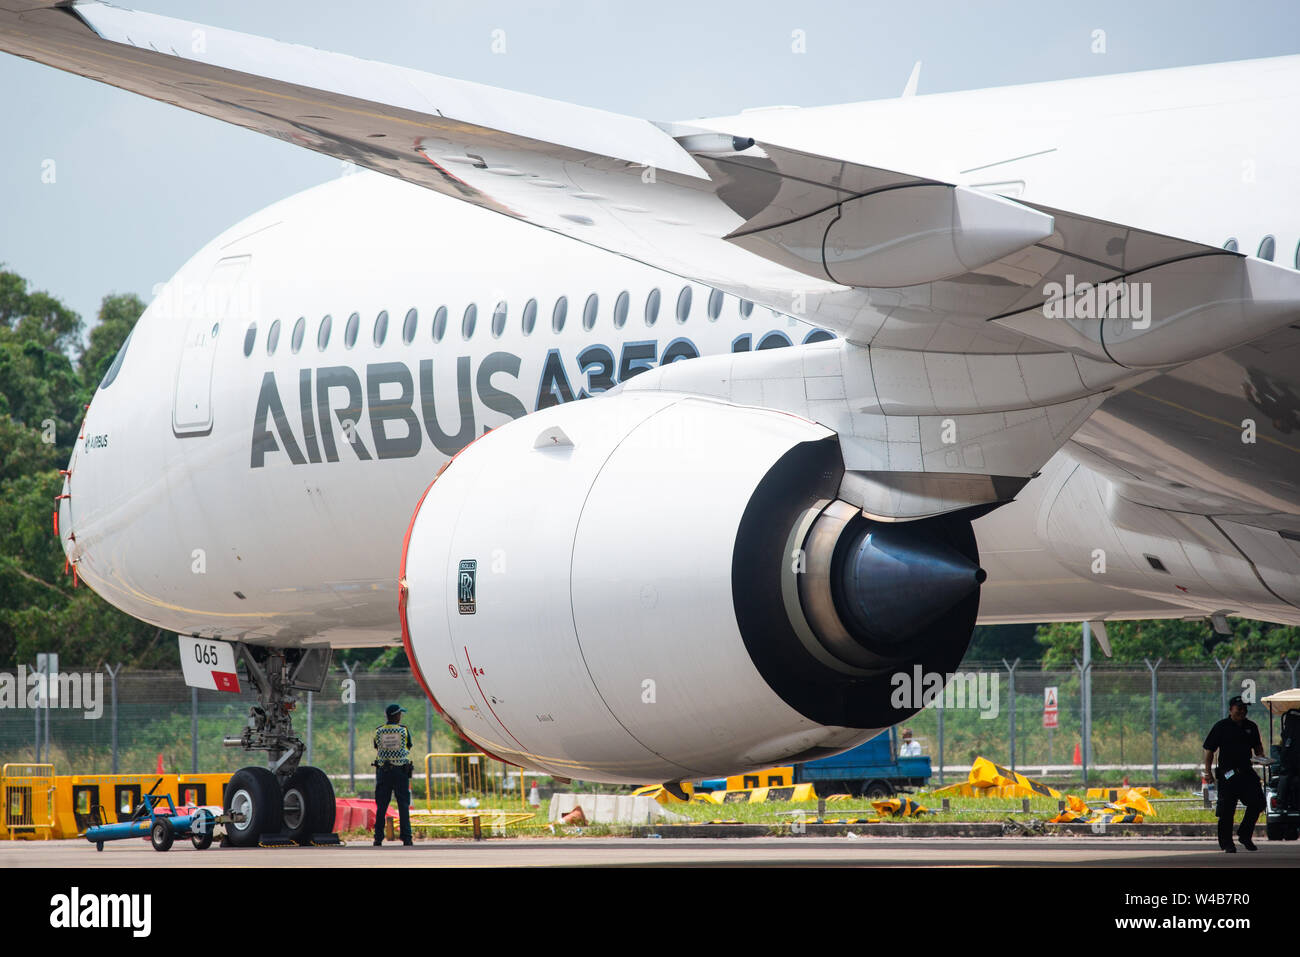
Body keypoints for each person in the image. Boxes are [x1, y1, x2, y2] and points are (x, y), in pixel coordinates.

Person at [1202, 695, 1265, 852]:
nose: (1242, 712)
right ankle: (1227, 843)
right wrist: (1207, 772)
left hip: (1246, 772)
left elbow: (1258, 748)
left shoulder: (1251, 726)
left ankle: (1244, 834)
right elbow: (1210, 750)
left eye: (1244, 709)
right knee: (1227, 810)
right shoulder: (1221, 727)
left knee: (1258, 802)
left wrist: (1263, 759)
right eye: (1239, 709)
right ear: (1231, 710)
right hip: (1228, 774)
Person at [373, 702, 414, 846]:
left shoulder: (379, 731)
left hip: (383, 772)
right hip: (400, 771)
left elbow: (376, 746)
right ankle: (407, 838)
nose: (401, 716)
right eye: (400, 713)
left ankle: (378, 838)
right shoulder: (403, 731)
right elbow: (409, 745)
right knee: (403, 805)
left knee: (382, 806)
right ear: (395, 715)